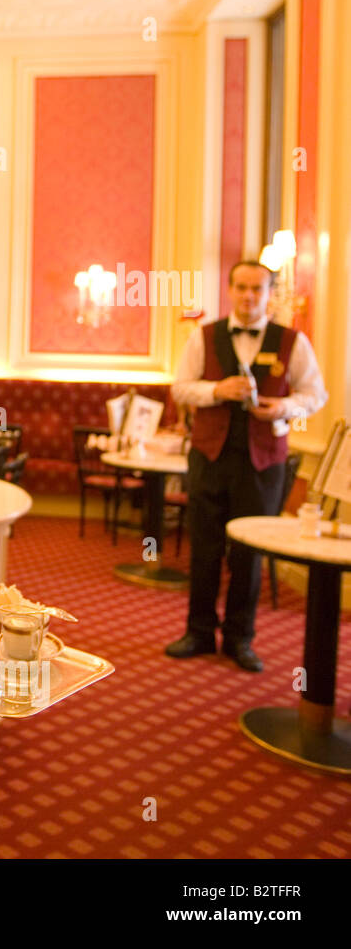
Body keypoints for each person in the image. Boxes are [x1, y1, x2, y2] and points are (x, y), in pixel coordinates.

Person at [166, 261, 327, 671]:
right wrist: (217, 390)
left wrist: (285, 406)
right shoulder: (205, 337)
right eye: (240, 287)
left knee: (248, 554)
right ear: (231, 288)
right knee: (204, 547)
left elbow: (315, 394)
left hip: (263, 463)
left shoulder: (292, 341)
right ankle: (199, 631)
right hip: (209, 456)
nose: (248, 295)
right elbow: (181, 387)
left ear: (269, 292)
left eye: (257, 288)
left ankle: (240, 638)